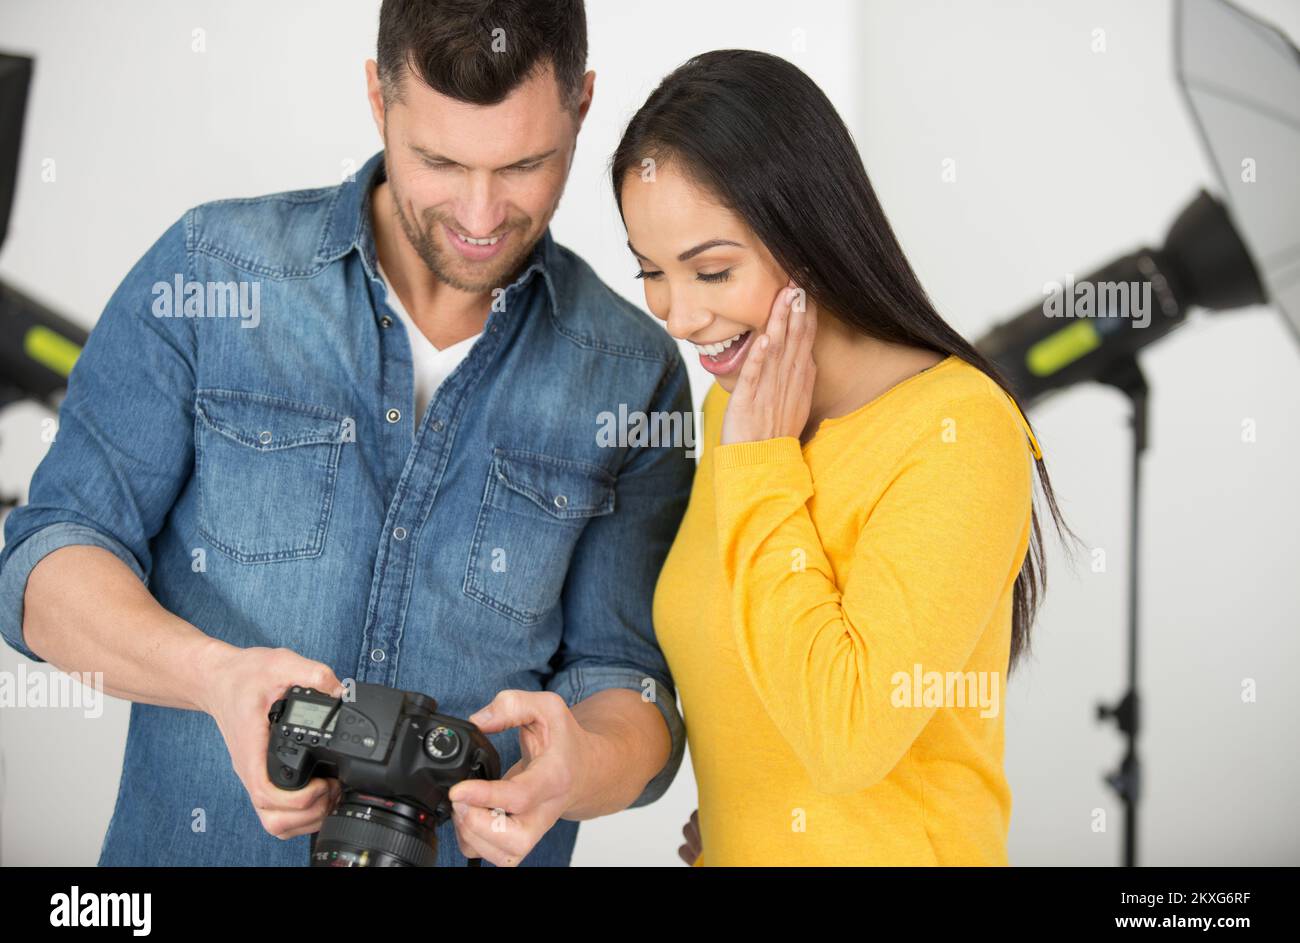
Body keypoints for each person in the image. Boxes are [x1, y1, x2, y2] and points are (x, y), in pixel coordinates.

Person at [0, 0, 691, 867]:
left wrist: (580, 763)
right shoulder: (213, 272)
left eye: (525, 164)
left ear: (583, 105)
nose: (480, 215)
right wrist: (214, 677)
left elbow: (630, 685)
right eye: (438, 160)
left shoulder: (632, 372)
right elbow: (45, 564)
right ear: (377, 97)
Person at [612, 49, 1081, 865]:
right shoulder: (739, 403)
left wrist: (760, 465)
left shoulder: (960, 431)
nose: (679, 316)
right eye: (651, 271)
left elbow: (848, 736)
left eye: (712, 270)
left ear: (809, 237)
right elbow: (756, 689)